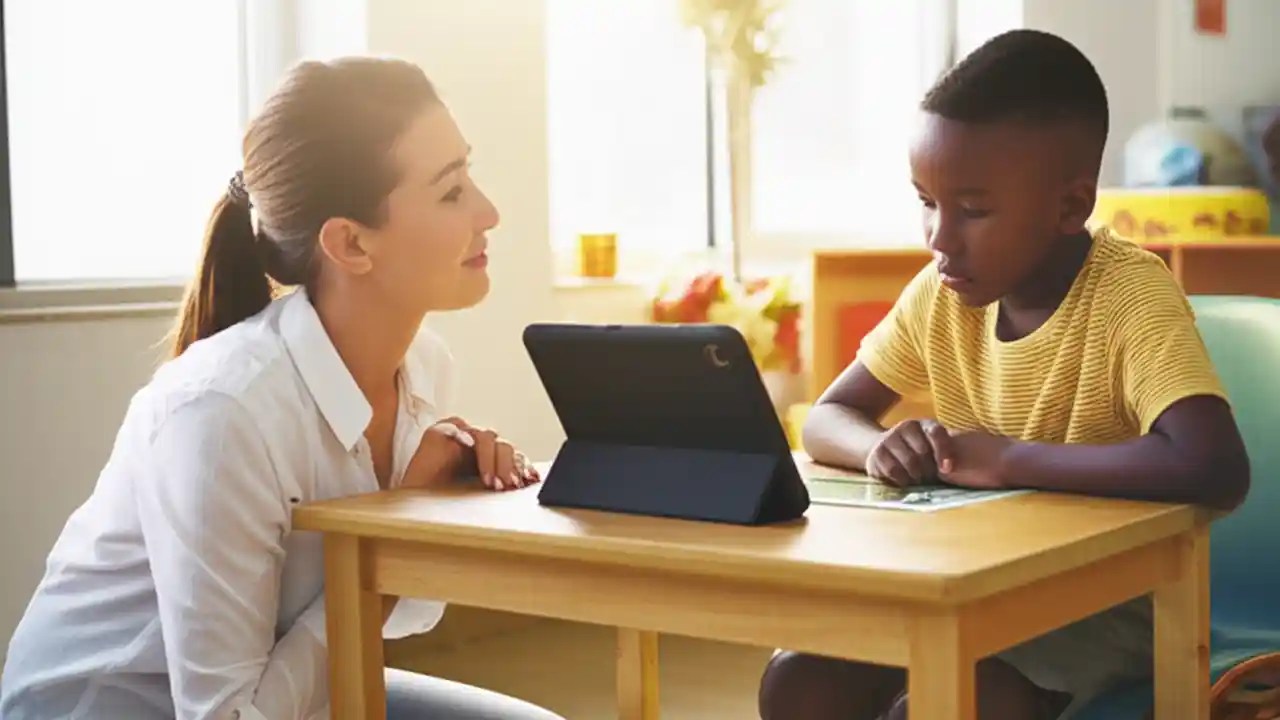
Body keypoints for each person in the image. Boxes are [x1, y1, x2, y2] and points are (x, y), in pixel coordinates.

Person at [1, 58, 563, 720]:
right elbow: (226, 716)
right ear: (350, 243)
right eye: (450, 192)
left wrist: (435, 514)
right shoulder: (220, 414)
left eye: (468, 176)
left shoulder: (422, 366)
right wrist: (394, 534)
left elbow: (401, 616)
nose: (489, 212)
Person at [759, 30, 1250, 720]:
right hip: (978, 588)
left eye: (974, 210)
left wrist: (1011, 461)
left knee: (940, 709)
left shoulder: (1130, 295)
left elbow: (1215, 467)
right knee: (796, 685)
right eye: (926, 202)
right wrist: (877, 445)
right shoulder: (941, 291)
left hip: (1115, 608)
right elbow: (826, 417)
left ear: (1070, 207)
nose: (939, 237)